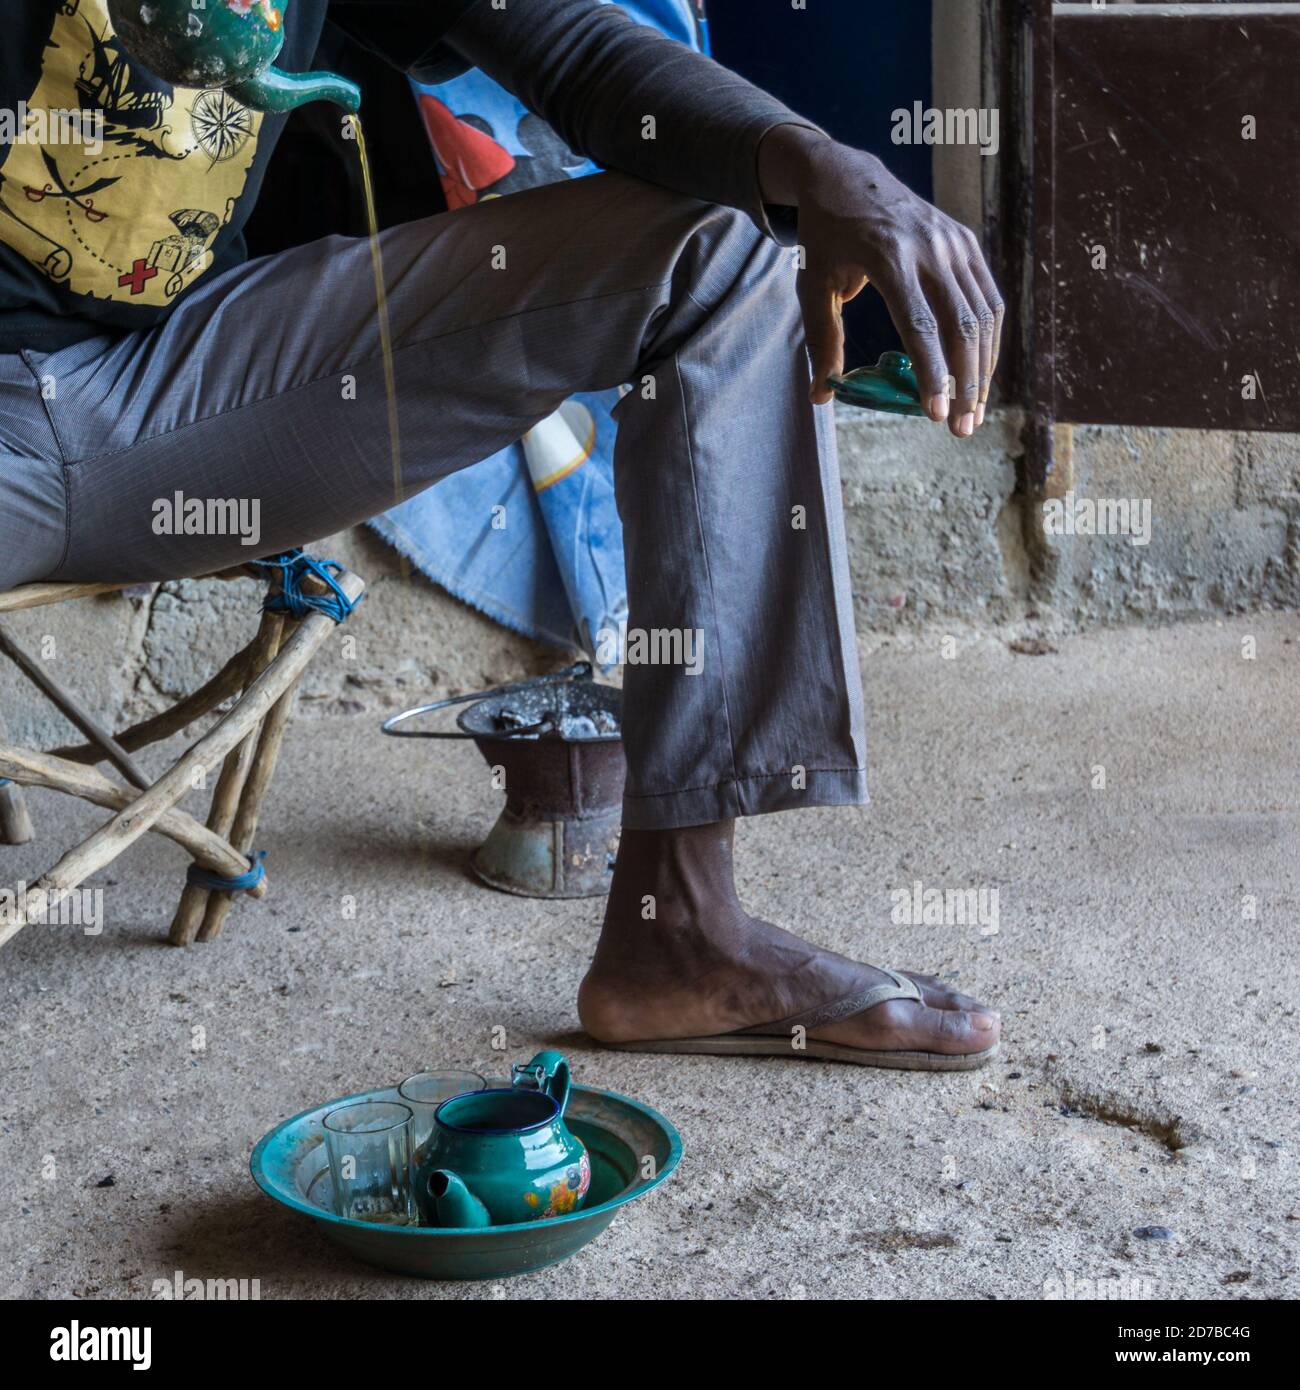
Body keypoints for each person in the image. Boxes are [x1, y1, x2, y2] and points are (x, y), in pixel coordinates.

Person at [0, 0, 1002, 1067]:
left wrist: (809, 160)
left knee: (723, 252)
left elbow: (570, 49)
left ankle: (680, 936)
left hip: (171, 391)